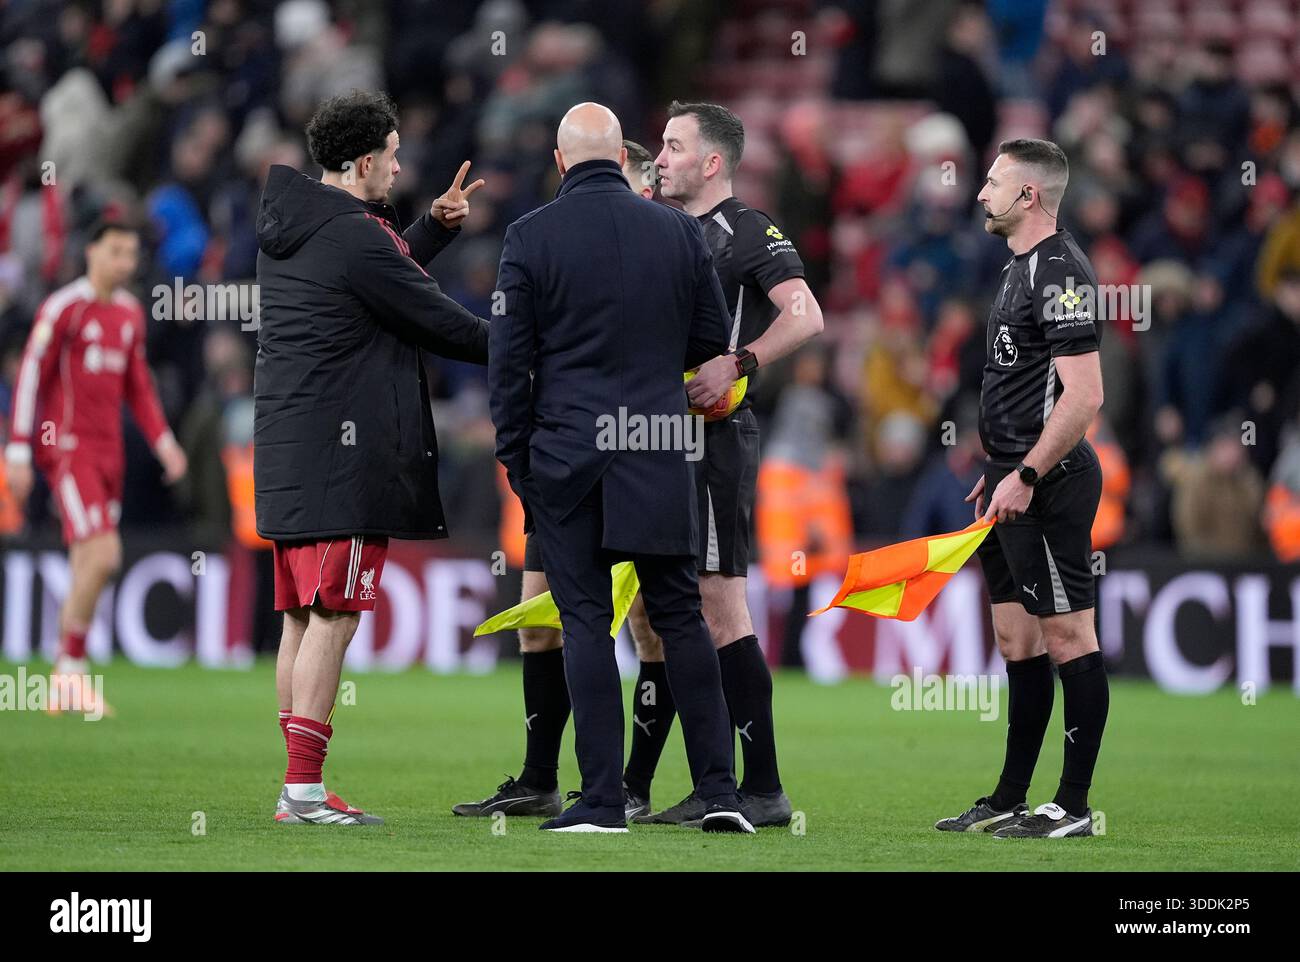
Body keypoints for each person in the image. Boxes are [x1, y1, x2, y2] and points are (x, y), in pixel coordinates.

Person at [489, 102, 750, 834]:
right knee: (682, 621)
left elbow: (508, 365)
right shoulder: (676, 230)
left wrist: (519, 462)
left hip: (567, 459)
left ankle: (602, 801)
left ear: (562, 160)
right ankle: (721, 793)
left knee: (585, 623)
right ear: (619, 157)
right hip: (660, 451)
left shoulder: (529, 236)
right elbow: (707, 344)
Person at [255, 90, 489, 826]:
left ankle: (297, 790)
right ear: (362, 162)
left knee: (301, 615)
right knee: (334, 617)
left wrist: (430, 231)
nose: (398, 165)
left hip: (291, 449)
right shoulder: (356, 236)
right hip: (346, 457)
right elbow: (441, 322)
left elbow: (366, 275)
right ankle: (302, 793)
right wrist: (546, 349)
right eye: (390, 154)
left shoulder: (300, 226)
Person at [452, 141, 676, 822]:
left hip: (640, 454)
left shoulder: (666, 246)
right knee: (539, 624)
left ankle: (632, 784)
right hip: (566, 455)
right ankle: (539, 777)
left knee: (648, 628)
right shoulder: (565, 242)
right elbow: (515, 344)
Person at [637, 100, 825, 827]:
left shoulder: (747, 232)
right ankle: (711, 781)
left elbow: (806, 315)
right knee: (668, 607)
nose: (661, 155)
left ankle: (764, 786)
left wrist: (738, 362)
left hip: (714, 440)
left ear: (712, 163)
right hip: (653, 435)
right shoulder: (660, 227)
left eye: (674, 145)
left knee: (719, 602)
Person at [935, 138, 1108, 839]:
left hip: (1050, 485)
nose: (981, 192)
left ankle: (1071, 806)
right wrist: (998, 470)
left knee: (1067, 635)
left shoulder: (1061, 271)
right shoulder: (1017, 269)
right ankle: (1011, 795)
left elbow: (1085, 395)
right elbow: (1021, 386)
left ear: (1029, 195)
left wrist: (1029, 473)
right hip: (1009, 482)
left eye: (995, 181)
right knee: (1015, 639)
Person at [5, 220, 188, 717]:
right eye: (115, 252)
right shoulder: (65, 307)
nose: (125, 263)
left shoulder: (129, 313)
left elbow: (139, 389)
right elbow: (29, 376)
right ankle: (71, 670)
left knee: (89, 562)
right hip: (67, 449)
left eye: (131, 254)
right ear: (91, 252)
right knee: (105, 555)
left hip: (110, 455)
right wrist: (19, 449)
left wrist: (165, 443)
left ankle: (63, 679)